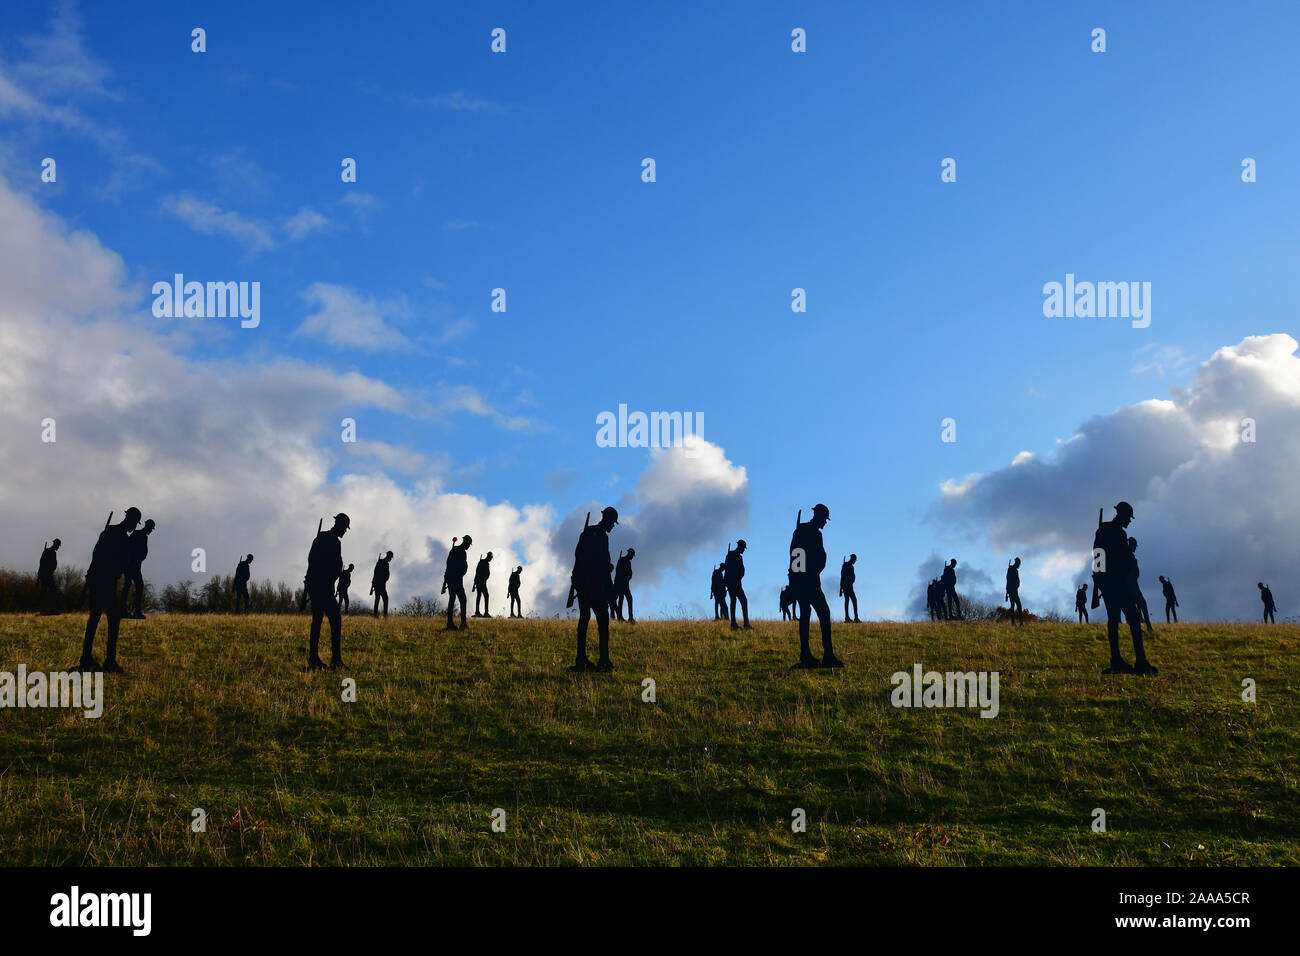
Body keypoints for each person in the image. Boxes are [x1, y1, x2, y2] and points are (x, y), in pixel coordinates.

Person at [1094, 502, 1156, 675]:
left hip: (1109, 583)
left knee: (1114, 621)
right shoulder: (1117, 533)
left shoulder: (1105, 530)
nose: (1129, 521)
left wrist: (1099, 579)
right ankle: (1139, 663)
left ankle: (1118, 661)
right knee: (1133, 620)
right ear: (1121, 515)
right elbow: (1114, 557)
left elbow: (1098, 555)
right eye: (1128, 517)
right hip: (1117, 584)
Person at [78, 508, 140, 674]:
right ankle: (108, 661)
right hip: (105, 581)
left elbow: (96, 554)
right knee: (112, 620)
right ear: (131, 520)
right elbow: (108, 558)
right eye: (134, 523)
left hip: (98, 579)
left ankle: (86, 659)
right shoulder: (121, 538)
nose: (134, 526)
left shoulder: (109, 531)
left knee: (94, 619)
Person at [789, 504, 841, 668]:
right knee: (820, 613)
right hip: (807, 580)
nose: (825, 523)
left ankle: (815, 655)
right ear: (818, 517)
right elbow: (796, 556)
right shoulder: (807, 532)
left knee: (809, 615)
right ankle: (816, 656)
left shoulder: (811, 533)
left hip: (807, 579)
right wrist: (803, 576)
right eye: (824, 519)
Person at [568, 507, 618, 672]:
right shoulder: (601, 537)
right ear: (608, 520)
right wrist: (608, 567)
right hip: (594, 585)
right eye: (612, 523)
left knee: (585, 619)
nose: (613, 527)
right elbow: (599, 561)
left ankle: (581, 659)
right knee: (603, 622)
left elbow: (578, 555)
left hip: (583, 584)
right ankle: (603, 661)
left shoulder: (589, 532)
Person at [305, 513, 349, 670]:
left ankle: (313, 659)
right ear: (340, 526)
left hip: (317, 585)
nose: (345, 532)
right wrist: (330, 575)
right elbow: (335, 565)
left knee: (317, 621)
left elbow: (311, 561)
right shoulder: (334, 542)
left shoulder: (321, 538)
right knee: (335, 620)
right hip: (323, 587)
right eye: (344, 528)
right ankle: (335, 660)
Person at [120, 518, 154, 620]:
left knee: (131, 587)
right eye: (150, 528)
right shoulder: (137, 534)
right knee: (134, 586)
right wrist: (133, 560)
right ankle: (129, 611)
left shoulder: (142, 536)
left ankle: (131, 611)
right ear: (147, 527)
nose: (151, 531)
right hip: (131, 566)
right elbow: (129, 548)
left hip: (134, 566)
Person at [443, 536, 471, 630]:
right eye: (468, 544)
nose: (469, 546)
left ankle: (450, 623)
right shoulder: (462, 552)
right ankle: (463, 623)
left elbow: (448, 565)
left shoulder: (455, 550)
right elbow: (457, 566)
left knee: (452, 600)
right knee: (463, 599)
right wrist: (461, 572)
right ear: (466, 542)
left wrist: (446, 579)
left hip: (451, 579)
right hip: (456, 579)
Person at [1127, 537, 1153, 634]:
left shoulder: (1130, 556)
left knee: (1140, 604)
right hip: (1131, 586)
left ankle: (1147, 626)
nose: (1135, 548)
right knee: (1139, 605)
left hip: (1133, 585)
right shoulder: (1127, 556)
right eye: (1134, 546)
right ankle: (1146, 626)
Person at [37, 538, 61, 615]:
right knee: (50, 592)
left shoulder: (49, 551)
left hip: (47, 574)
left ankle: (48, 610)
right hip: (46, 575)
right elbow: (42, 563)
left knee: (47, 592)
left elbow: (52, 564)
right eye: (58, 545)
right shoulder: (50, 552)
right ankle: (49, 610)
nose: (58, 547)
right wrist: (41, 573)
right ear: (55, 544)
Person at [613, 548, 636, 623]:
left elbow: (629, 573)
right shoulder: (623, 561)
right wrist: (625, 578)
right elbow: (618, 572)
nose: (632, 557)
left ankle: (627, 617)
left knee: (624, 599)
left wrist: (627, 578)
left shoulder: (625, 561)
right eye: (632, 555)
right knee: (622, 599)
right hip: (621, 584)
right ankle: (622, 617)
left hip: (624, 584)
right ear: (630, 554)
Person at [371, 550, 393, 618]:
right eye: (390, 557)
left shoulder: (382, 562)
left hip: (380, 583)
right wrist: (374, 583)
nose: (391, 559)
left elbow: (384, 574)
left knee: (378, 599)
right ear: (388, 556)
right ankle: (384, 615)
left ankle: (376, 615)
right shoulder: (382, 562)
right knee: (384, 599)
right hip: (380, 584)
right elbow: (376, 573)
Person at [840, 553, 861, 623]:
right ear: (852, 559)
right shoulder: (847, 566)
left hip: (848, 586)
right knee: (852, 600)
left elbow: (846, 576)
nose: (855, 561)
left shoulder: (849, 566)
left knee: (848, 600)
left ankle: (849, 617)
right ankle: (852, 617)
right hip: (847, 586)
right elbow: (842, 577)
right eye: (854, 560)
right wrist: (841, 588)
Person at [472, 552, 494, 617]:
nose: (491, 559)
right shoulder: (483, 563)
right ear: (489, 557)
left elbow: (484, 573)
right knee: (485, 596)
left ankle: (478, 612)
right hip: (481, 582)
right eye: (491, 558)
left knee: (480, 596)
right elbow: (477, 572)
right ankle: (483, 612)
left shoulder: (484, 563)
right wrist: (474, 584)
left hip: (481, 582)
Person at [1006, 557, 1023, 626]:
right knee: (1018, 605)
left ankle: (1014, 623)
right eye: (1019, 564)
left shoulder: (1013, 570)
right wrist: (1008, 590)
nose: (1019, 565)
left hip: (1013, 590)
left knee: (1014, 606)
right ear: (1017, 563)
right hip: (1012, 590)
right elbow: (1008, 580)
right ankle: (1019, 623)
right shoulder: (1012, 569)